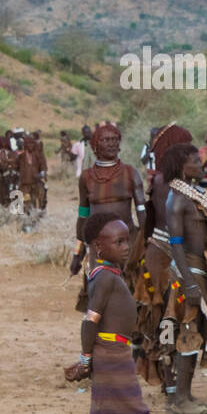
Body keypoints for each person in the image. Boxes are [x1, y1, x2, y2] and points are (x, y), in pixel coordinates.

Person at [64, 213, 160, 414]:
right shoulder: (105, 278)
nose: (127, 246)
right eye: (118, 242)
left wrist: (88, 360)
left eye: (127, 240)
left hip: (112, 354)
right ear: (98, 246)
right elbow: (89, 322)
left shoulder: (105, 275)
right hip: (112, 356)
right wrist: (85, 360)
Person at [159, 142, 207, 414]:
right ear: (182, 167)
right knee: (188, 331)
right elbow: (175, 245)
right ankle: (181, 400)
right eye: (195, 161)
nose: (201, 164)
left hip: (198, 269)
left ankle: (184, 395)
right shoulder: (177, 199)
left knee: (194, 330)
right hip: (189, 272)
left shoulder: (194, 195)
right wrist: (189, 282)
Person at [133, 123, 195, 394]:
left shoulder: (172, 181)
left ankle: (173, 382)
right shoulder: (163, 182)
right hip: (164, 258)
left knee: (174, 317)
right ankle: (169, 382)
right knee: (165, 318)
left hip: (167, 254)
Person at [71, 123, 145, 313]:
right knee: (100, 295)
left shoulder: (130, 173)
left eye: (114, 140)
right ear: (95, 145)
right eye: (105, 140)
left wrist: (146, 243)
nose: (111, 144)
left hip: (128, 242)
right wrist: (77, 254)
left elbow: (142, 214)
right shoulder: (86, 178)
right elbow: (83, 217)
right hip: (99, 246)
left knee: (132, 293)